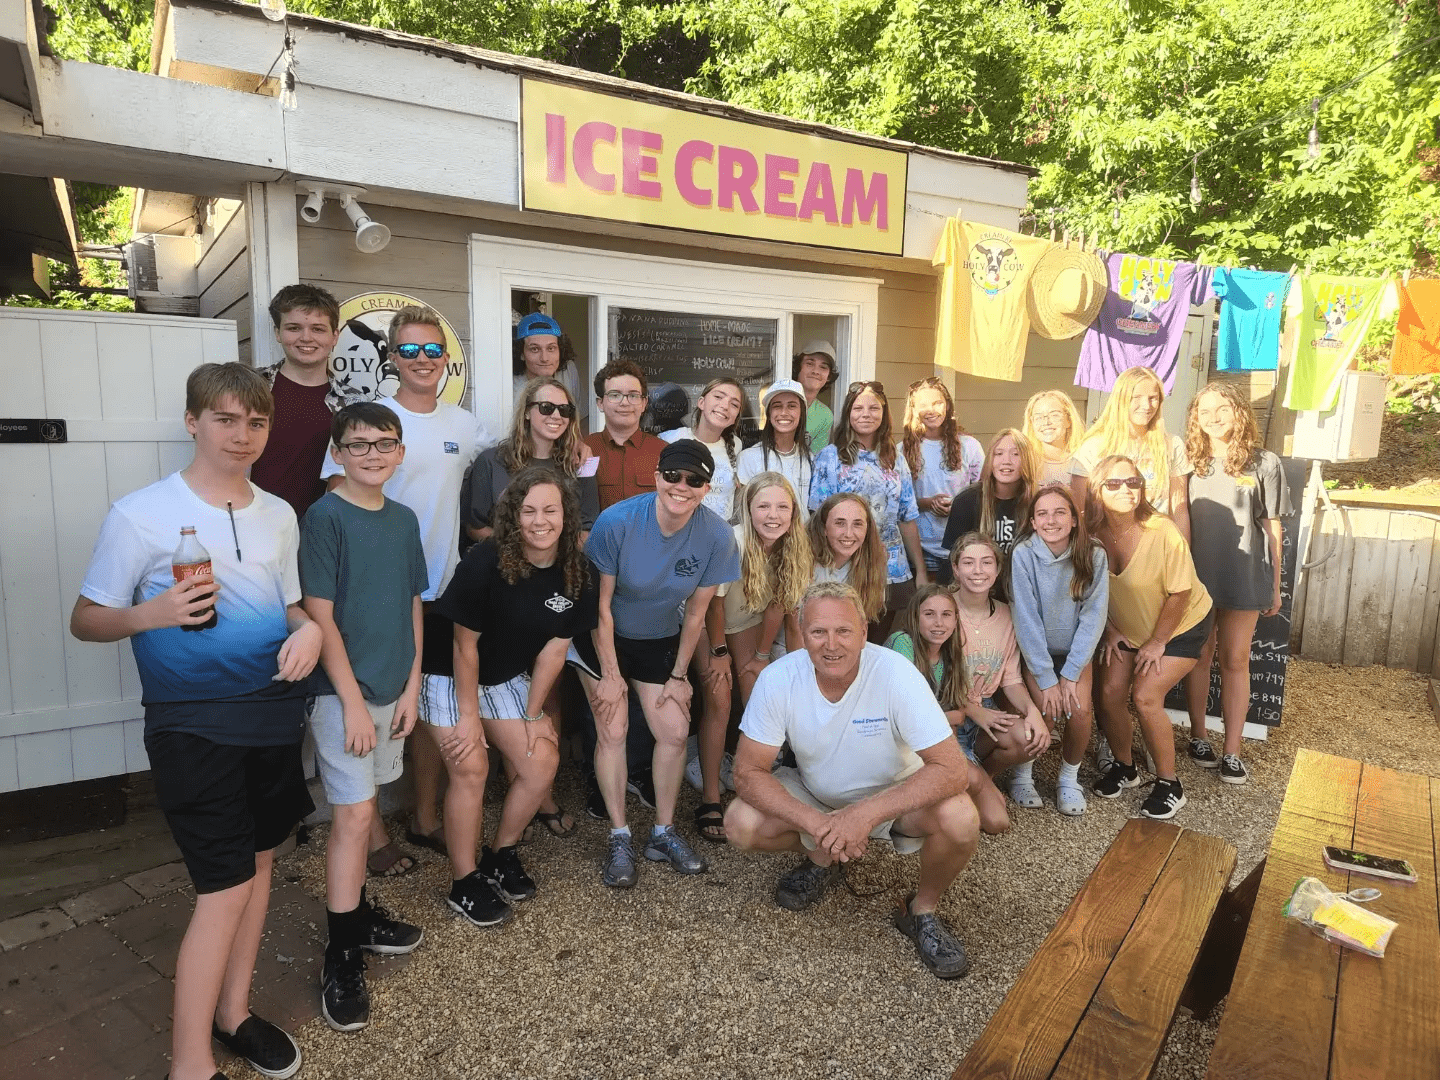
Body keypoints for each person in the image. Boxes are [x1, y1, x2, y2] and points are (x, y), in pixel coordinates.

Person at [70, 362, 324, 1080]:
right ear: (193, 421)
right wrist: (152, 614)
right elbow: (86, 620)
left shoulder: (279, 514)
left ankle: (233, 1013)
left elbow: (293, 603)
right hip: (192, 724)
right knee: (223, 887)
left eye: (256, 421)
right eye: (225, 418)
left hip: (273, 715)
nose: (242, 434)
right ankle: (190, 1065)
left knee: (263, 863)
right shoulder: (141, 514)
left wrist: (305, 629)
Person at [318, 306, 498, 894]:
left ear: (446, 358)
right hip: (371, 595)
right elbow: (338, 498)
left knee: (419, 706)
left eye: (432, 350)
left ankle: (424, 818)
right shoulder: (369, 421)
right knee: (369, 706)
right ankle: (369, 835)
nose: (423, 359)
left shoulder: (464, 424)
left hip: (440, 586)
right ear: (391, 357)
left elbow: (490, 479)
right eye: (410, 350)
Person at [724, 581, 979, 979]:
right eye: (818, 632)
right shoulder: (779, 677)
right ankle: (821, 855)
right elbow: (747, 771)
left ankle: (922, 911)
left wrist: (862, 816)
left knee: (962, 818)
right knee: (740, 823)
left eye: (843, 631)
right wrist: (819, 825)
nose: (831, 644)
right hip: (816, 796)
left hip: (894, 798)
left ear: (863, 631)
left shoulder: (896, 674)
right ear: (801, 633)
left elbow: (952, 769)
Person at [298, 401, 427, 1033]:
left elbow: (413, 604)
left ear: (400, 452)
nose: (372, 453)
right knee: (351, 819)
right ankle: (340, 952)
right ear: (339, 452)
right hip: (340, 692)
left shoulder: (403, 520)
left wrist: (411, 688)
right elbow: (318, 614)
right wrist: (350, 699)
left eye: (384, 443)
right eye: (359, 444)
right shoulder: (325, 518)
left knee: (369, 802)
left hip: (391, 687)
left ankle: (359, 915)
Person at [571, 439, 740, 887]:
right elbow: (599, 608)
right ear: (657, 475)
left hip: (657, 637)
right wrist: (610, 675)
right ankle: (620, 834)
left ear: (707, 487)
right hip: (601, 637)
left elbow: (699, 614)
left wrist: (681, 675)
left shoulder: (717, 536)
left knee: (672, 729)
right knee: (614, 728)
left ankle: (662, 832)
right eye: (673, 476)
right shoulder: (618, 521)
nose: (681, 487)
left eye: (694, 480)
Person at [436, 467, 600, 901]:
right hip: (447, 671)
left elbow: (554, 649)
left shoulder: (578, 570)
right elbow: (462, 647)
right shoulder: (486, 559)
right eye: (528, 511)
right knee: (472, 766)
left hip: (501, 674)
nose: (540, 520)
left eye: (550, 509)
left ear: (566, 514)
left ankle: (500, 853)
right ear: (514, 516)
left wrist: (533, 713)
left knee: (541, 761)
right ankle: (464, 881)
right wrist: (469, 718)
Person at [1089, 455, 1214, 820]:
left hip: (1180, 625)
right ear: (1097, 490)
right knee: (1109, 694)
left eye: (1133, 482)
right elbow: (1093, 590)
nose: (1126, 489)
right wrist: (1111, 629)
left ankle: (1169, 784)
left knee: (1145, 696)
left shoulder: (1162, 530)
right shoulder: (1091, 532)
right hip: (1128, 626)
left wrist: (1158, 642)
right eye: (1114, 483)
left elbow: (1180, 592)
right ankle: (1126, 768)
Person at [694, 473, 813, 841]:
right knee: (720, 697)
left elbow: (779, 607)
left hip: (746, 622)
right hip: (704, 624)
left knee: (757, 692)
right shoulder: (734, 542)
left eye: (782, 506)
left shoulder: (793, 546)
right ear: (748, 509)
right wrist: (718, 653)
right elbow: (712, 606)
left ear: (794, 512)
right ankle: (710, 795)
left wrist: (761, 656)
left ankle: (753, 782)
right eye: (763, 506)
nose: (773, 515)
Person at [1182, 383, 1290, 786]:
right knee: (1199, 655)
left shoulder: (1264, 463)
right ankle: (1197, 736)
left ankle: (1232, 751)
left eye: (1222, 407)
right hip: (1196, 578)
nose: (1213, 416)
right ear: (1196, 417)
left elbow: (1272, 526)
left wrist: (1275, 585)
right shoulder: (1189, 461)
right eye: (1204, 409)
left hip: (1245, 576)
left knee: (1235, 659)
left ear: (1239, 410)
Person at [580, 359, 664, 821]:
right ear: (601, 402)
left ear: (644, 402)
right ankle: (600, 778)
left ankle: (639, 769)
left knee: (642, 675)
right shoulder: (580, 449)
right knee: (601, 681)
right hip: (595, 580)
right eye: (616, 395)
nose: (625, 402)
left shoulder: (661, 451)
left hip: (647, 581)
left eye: (633, 395)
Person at [1008, 484, 1109, 816]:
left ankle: (1069, 778)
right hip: (1038, 651)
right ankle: (1023, 774)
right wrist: (1048, 679)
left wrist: (1071, 673)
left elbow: (1093, 618)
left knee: (1079, 710)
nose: (1051, 520)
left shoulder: (1093, 554)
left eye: (1059, 512)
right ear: (1033, 522)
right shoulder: (1024, 554)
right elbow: (1026, 618)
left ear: (1075, 519)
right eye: (1042, 514)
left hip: (1075, 652)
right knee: (1045, 708)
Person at [808, 380, 927, 641]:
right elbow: (818, 517)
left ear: (884, 414)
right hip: (844, 567)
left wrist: (920, 571)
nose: (866, 414)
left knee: (876, 643)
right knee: (843, 637)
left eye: (874, 408)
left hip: (889, 568)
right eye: (858, 408)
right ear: (848, 414)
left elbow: (906, 518)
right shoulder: (830, 457)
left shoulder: (895, 458)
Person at [947, 533, 1049, 828]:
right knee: (994, 821)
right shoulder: (942, 611)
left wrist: (1032, 713)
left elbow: (1011, 679)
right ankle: (972, 784)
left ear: (997, 569)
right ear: (955, 568)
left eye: (986, 562)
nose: (978, 570)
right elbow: (931, 681)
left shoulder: (1006, 614)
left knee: (1029, 738)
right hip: (948, 715)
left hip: (986, 711)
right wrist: (972, 710)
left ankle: (984, 778)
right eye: (968, 562)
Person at [251, 284, 347, 520]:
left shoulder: (351, 404)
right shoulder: (249, 388)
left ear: (334, 336)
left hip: (317, 533)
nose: (306, 338)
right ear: (278, 333)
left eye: (318, 329)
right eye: (294, 328)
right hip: (250, 525)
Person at [465, 376, 599, 544]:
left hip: (560, 567)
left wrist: (550, 558)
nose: (557, 415)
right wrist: (525, 551)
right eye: (546, 407)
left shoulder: (582, 462)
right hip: (505, 564)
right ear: (527, 412)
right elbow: (475, 527)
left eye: (564, 409)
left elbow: (587, 529)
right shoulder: (491, 461)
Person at [1070, 366, 1192, 538]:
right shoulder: (1093, 446)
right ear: (1120, 400)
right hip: (1108, 548)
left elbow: (1179, 511)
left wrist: (1182, 556)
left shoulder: (1173, 444)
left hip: (1157, 544)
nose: (1146, 405)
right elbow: (1080, 510)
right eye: (1136, 397)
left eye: (1153, 398)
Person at [902, 377, 983, 581]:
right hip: (920, 549)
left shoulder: (970, 446)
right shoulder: (901, 451)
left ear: (947, 405)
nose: (931, 410)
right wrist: (928, 503)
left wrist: (958, 505)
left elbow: (983, 492)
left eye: (937, 402)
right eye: (923, 405)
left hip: (960, 546)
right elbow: (900, 504)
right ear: (913, 409)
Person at [939, 428, 1039, 591]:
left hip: (1024, 591)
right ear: (990, 460)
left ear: (1027, 460)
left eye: (1015, 454)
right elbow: (952, 561)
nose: (1006, 461)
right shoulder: (967, 501)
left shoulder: (1038, 502)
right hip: (978, 593)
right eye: (998, 453)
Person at [660, 377, 745, 523]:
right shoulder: (669, 439)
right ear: (701, 402)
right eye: (718, 397)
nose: (725, 406)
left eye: (734, 404)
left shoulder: (736, 446)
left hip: (719, 535)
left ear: (735, 417)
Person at [738, 378, 814, 519]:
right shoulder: (748, 458)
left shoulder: (811, 460)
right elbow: (744, 512)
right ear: (768, 413)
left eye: (791, 406)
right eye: (777, 406)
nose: (784, 412)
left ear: (802, 413)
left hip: (803, 540)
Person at [808, 493, 888, 625]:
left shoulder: (872, 561)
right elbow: (794, 629)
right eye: (840, 523)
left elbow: (861, 623)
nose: (849, 534)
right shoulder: (805, 562)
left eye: (857, 524)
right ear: (823, 529)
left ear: (867, 529)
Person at [512, 311, 581, 406]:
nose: (544, 358)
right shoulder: (510, 387)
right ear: (521, 354)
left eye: (551, 348)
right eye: (535, 349)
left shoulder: (568, 371)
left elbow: (574, 411)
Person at [1022, 389, 1086, 486]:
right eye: (1039, 417)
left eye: (1054, 415)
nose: (1046, 422)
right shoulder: (1025, 464)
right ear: (1032, 423)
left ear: (1068, 420)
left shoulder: (1083, 462)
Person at [794, 340, 839, 449]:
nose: (816, 371)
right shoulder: (781, 401)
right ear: (798, 367)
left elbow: (815, 459)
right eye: (810, 364)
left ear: (828, 376)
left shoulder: (825, 416)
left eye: (823, 367)